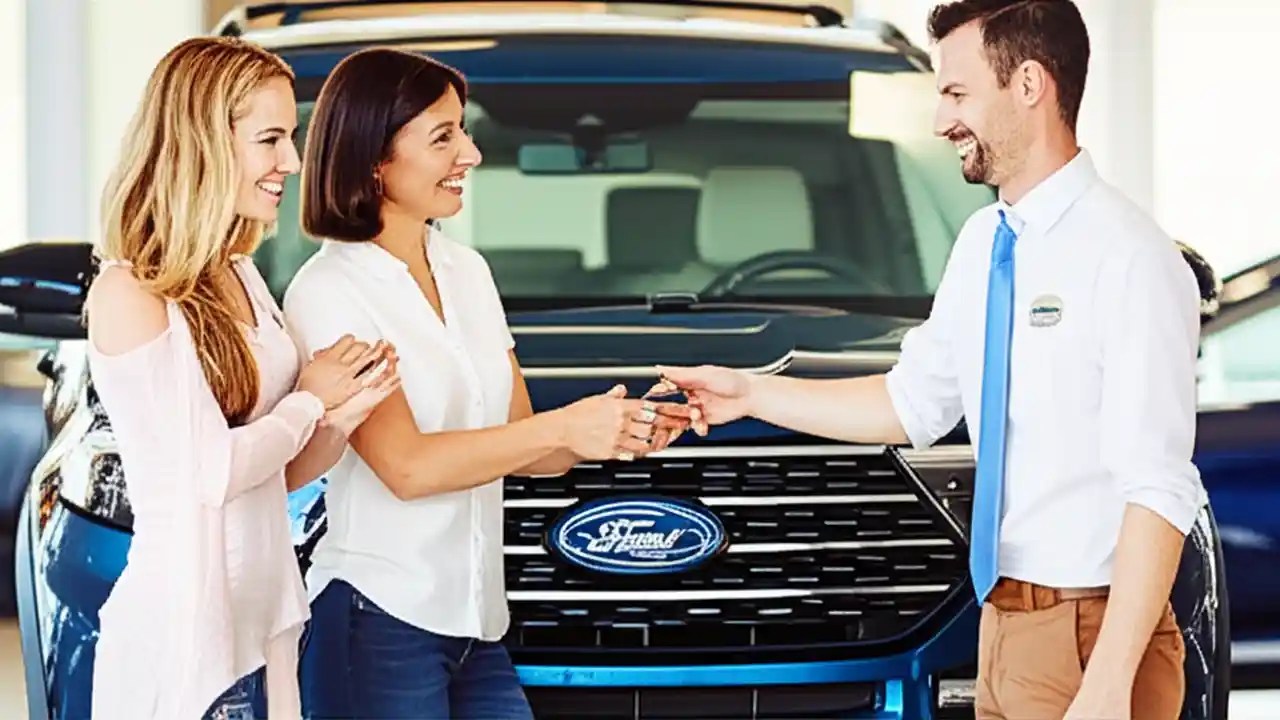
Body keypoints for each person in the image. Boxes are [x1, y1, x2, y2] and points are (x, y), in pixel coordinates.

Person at [655, 1, 1205, 718]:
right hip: (1004, 623)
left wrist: (1105, 683)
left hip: (1093, 633)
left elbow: (1158, 489)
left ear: (1030, 85)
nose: (940, 121)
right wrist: (752, 394)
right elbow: (911, 403)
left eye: (956, 93)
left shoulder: (1132, 258)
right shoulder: (986, 244)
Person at [283, 48, 691, 719]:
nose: (470, 153)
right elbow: (407, 468)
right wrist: (563, 426)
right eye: (444, 136)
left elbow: (528, 446)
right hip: (379, 620)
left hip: (476, 626)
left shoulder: (466, 271)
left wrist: (615, 431)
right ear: (374, 159)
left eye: (463, 130)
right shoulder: (331, 290)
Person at [84, 37, 399, 720]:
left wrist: (343, 411)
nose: (291, 161)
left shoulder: (242, 274)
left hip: (265, 631)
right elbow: (213, 474)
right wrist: (310, 397)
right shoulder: (132, 294)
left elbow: (277, 475)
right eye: (271, 139)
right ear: (202, 141)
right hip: (188, 648)